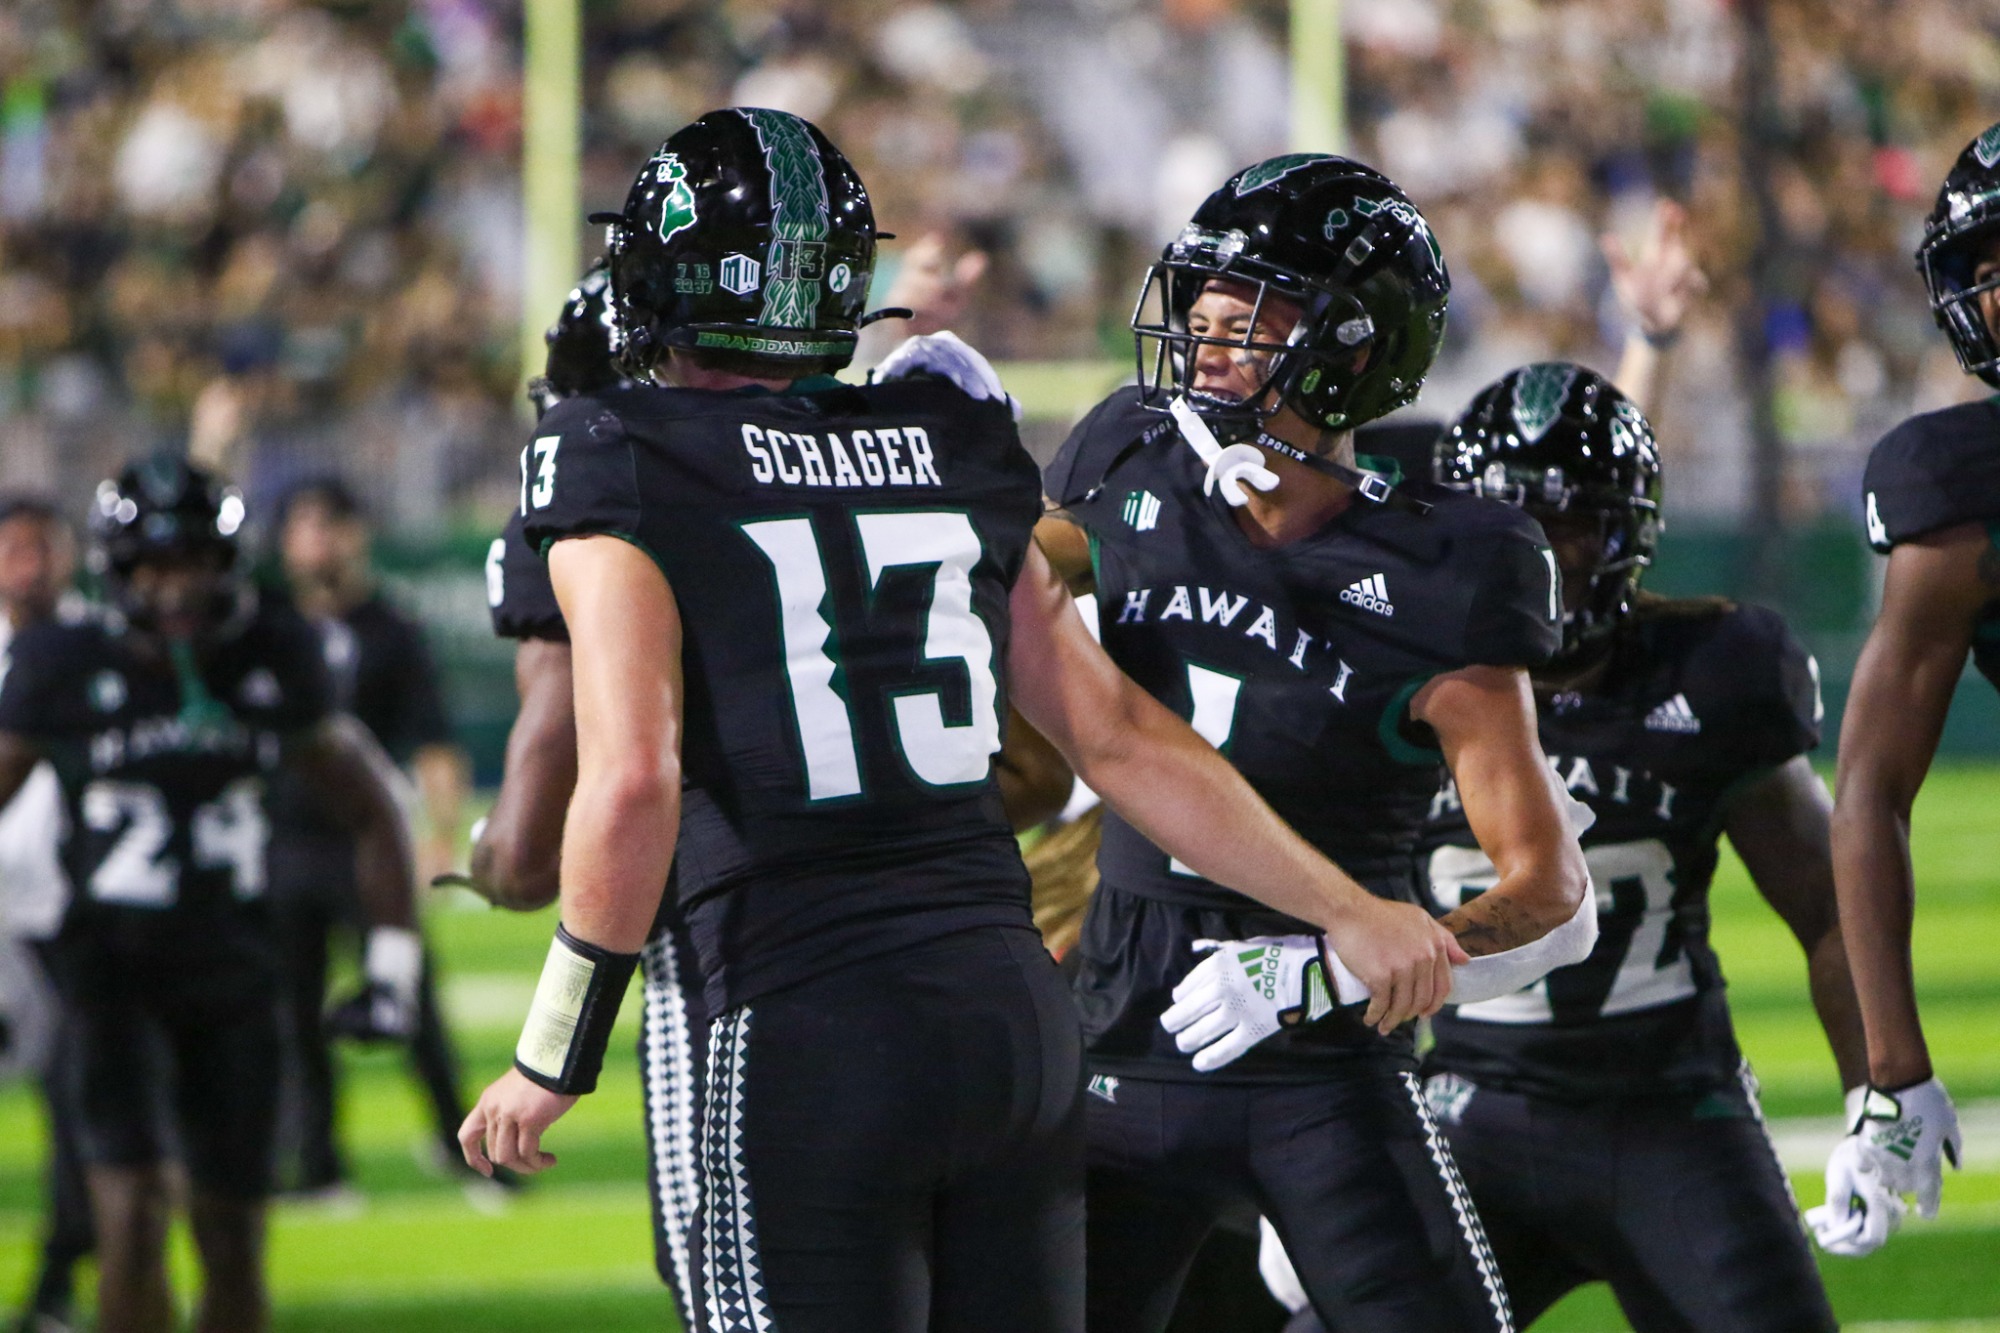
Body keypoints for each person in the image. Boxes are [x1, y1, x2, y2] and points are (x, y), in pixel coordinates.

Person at [456, 109, 1466, 1333]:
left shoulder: (614, 449)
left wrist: (551, 1055)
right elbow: (1119, 739)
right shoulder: (944, 439)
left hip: (797, 1017)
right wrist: (1348, 907)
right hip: (1009, 1026)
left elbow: (628, 786)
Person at [1039, 154, 1592, 1333]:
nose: (1203, 347)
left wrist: (1334, 967)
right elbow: (978, 597)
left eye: (1246, 321)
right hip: (1121, 1032)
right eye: (1199, 315)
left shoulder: (1449, 565)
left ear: (1353, 344)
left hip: (1328, 1061)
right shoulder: (1133, 464)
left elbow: (1545, 884)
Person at [1410, 364, 1858, 1330]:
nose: (1552, 558)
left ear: (1630, 531)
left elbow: (1830, 911)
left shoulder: (1714, 669)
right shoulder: (1400, 679)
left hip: (1671, 1116)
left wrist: (1880, 1091)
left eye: (1576, 525)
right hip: (1466, 1115)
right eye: (1521, 526)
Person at [0, 455, 420, 1333]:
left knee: (231, 1236)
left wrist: (392, 967)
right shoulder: (60, 664)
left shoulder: (274, 653)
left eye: (193, 563)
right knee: (132, 1214)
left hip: (235, 975)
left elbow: (375, 810)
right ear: (116, 571)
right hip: (108, 977)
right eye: (154, 568)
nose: (175, 588)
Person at [1820, 121, 2000, 1251]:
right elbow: (1866, 791)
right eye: (1982, 271)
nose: (1992, 297)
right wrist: (1891, 1075)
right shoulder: (1957, 487)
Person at [266, 476, 475, 1195]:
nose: (314, 541)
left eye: (327, 524)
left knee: (410, 999)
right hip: (282, 842)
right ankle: (317, 1163)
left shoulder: (392, 627)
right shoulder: (269, 625)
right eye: (301, 525)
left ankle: (462, 1142)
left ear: (356, 533)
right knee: (290, 1011)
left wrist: (441, 835)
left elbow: (434, 737)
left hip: (369, 847)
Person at [0, 497, 92, 1333]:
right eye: (12, 547)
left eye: (41, 546)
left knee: (77, 1103)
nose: (28, 563)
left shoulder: (103, 642)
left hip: (75, 915)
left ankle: (58, 1278)